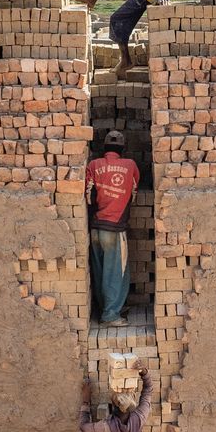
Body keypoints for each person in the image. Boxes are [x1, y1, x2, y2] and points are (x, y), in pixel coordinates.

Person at [85, 130, 139, 327]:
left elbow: (88, 195)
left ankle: (107, 308)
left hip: (95, 228)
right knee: (116, 273)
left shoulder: (93, 165)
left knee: (100, 273)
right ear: (122, 148)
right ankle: (110, 315)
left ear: (104, 147)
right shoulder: (130, 165)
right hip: (115, 229)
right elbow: (134, 192)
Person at [79, 359, 153, 432]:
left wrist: (85, 401)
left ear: (113, 405)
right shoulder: (140, 418)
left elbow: (83, 426)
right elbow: (148, 390)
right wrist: (144, 372)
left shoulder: (105, 428)